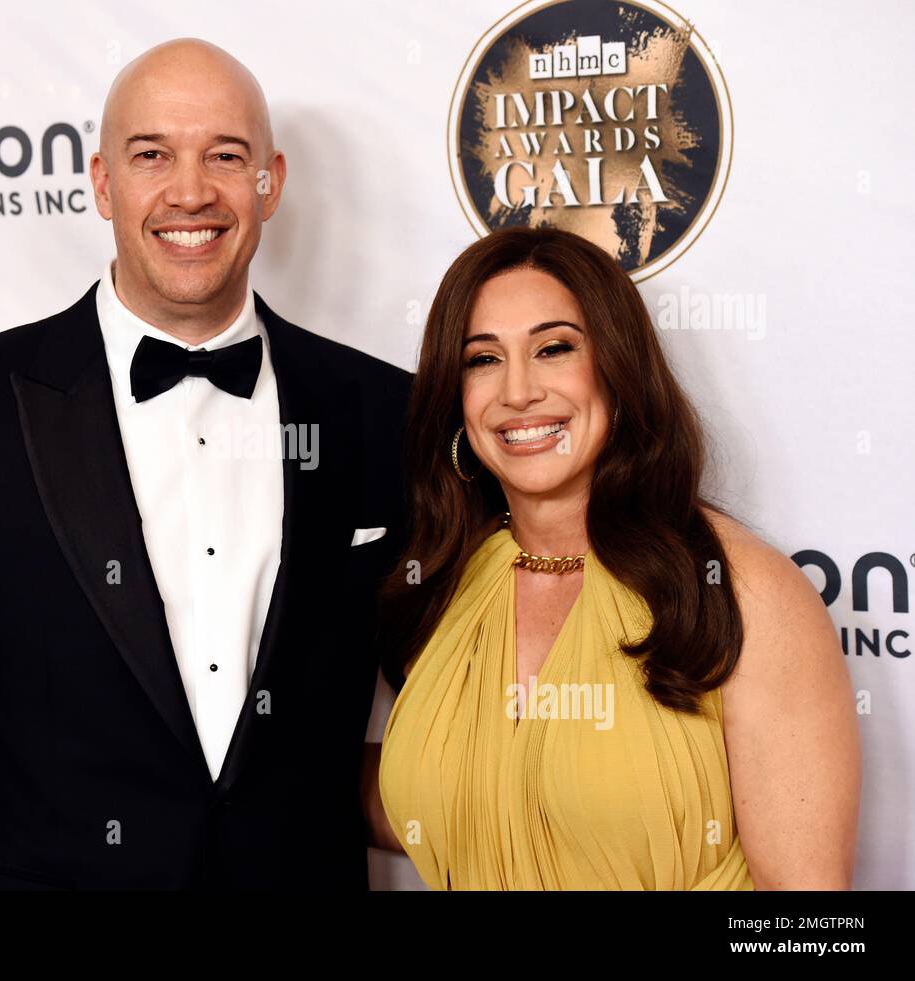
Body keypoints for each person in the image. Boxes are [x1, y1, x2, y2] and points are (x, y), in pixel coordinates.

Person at [0, 38, 411, 889]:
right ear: (101, 182)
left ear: (270, 181)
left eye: (226, 156)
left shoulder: (382, 410)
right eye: (152, 154)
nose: (191, 191)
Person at [367, 226, 860, 889]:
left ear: (620, 368)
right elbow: (474, 800)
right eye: (482, 359)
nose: (518, 392)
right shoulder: (443, 585)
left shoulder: (743, 592)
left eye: (554, 348)